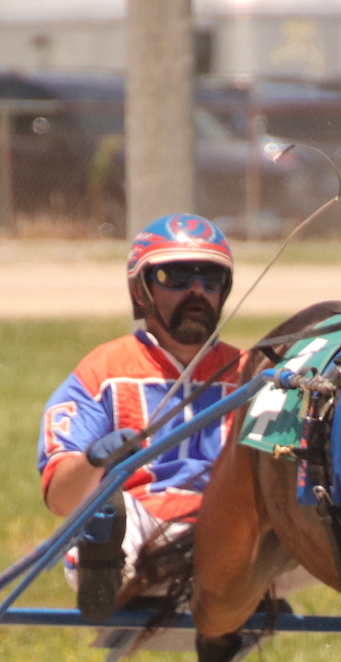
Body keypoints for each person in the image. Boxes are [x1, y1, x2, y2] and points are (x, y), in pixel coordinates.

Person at [39, 213, 242, 614]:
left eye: (211, 279)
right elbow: (62, 498)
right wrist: (94, 460)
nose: (197, 291)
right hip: (142, 526)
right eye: (177, 278)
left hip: (228, 531)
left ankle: (246, 580)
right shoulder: (103, 372)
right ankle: (106, 570)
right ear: (141, 290)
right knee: (105, 509)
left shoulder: (251, 376)